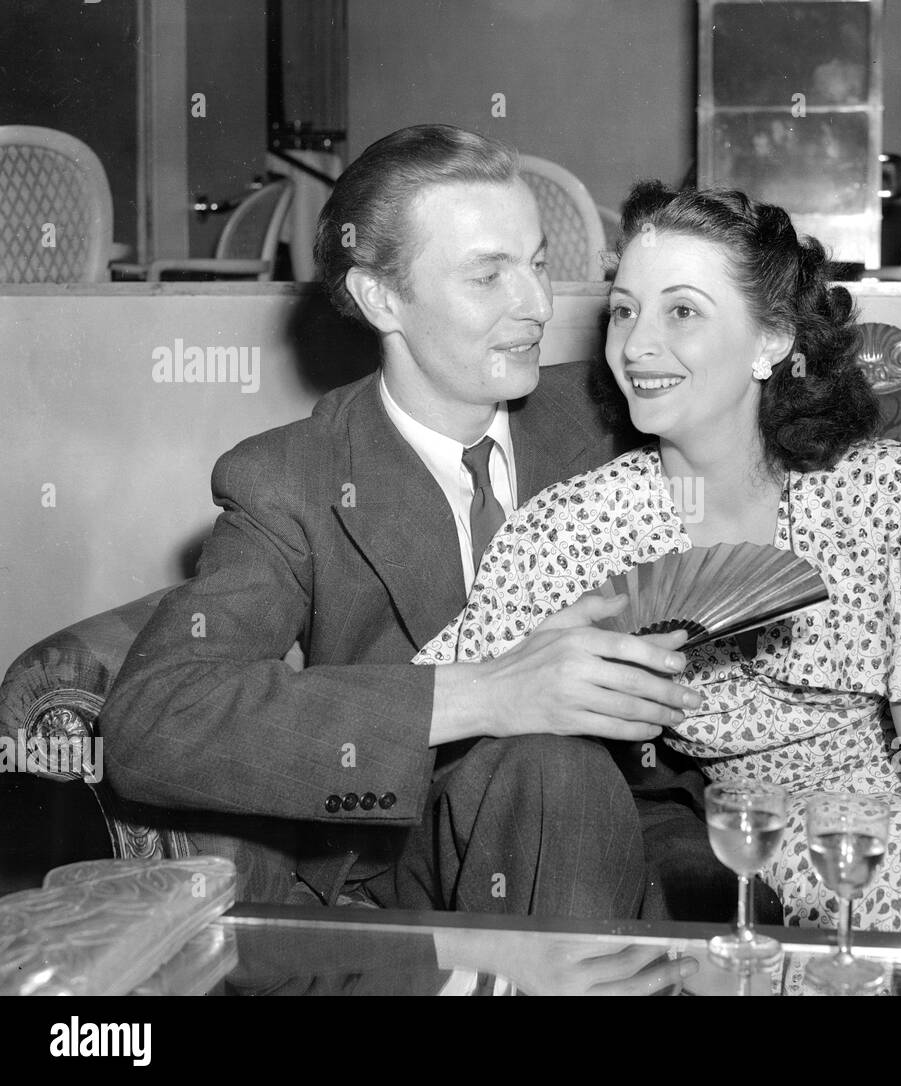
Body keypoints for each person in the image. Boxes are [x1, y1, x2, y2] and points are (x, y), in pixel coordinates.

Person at [417, 181, 901, 945]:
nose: (639, 344)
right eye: (624, 311)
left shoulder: (887, 489)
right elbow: (434, 698)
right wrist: (531, 669)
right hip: (778, 832)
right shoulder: (579, 526)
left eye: (683, 311)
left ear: (770, 341)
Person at [99, 125, 706, 937]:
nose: (536, 304)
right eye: (487, 276)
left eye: (536, 263)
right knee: (548, 763)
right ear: (382, 298)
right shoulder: (293, 480)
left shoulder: (612, 412)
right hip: (416, 846)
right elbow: (153, 723)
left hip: (637, 824)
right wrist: (486, 692)